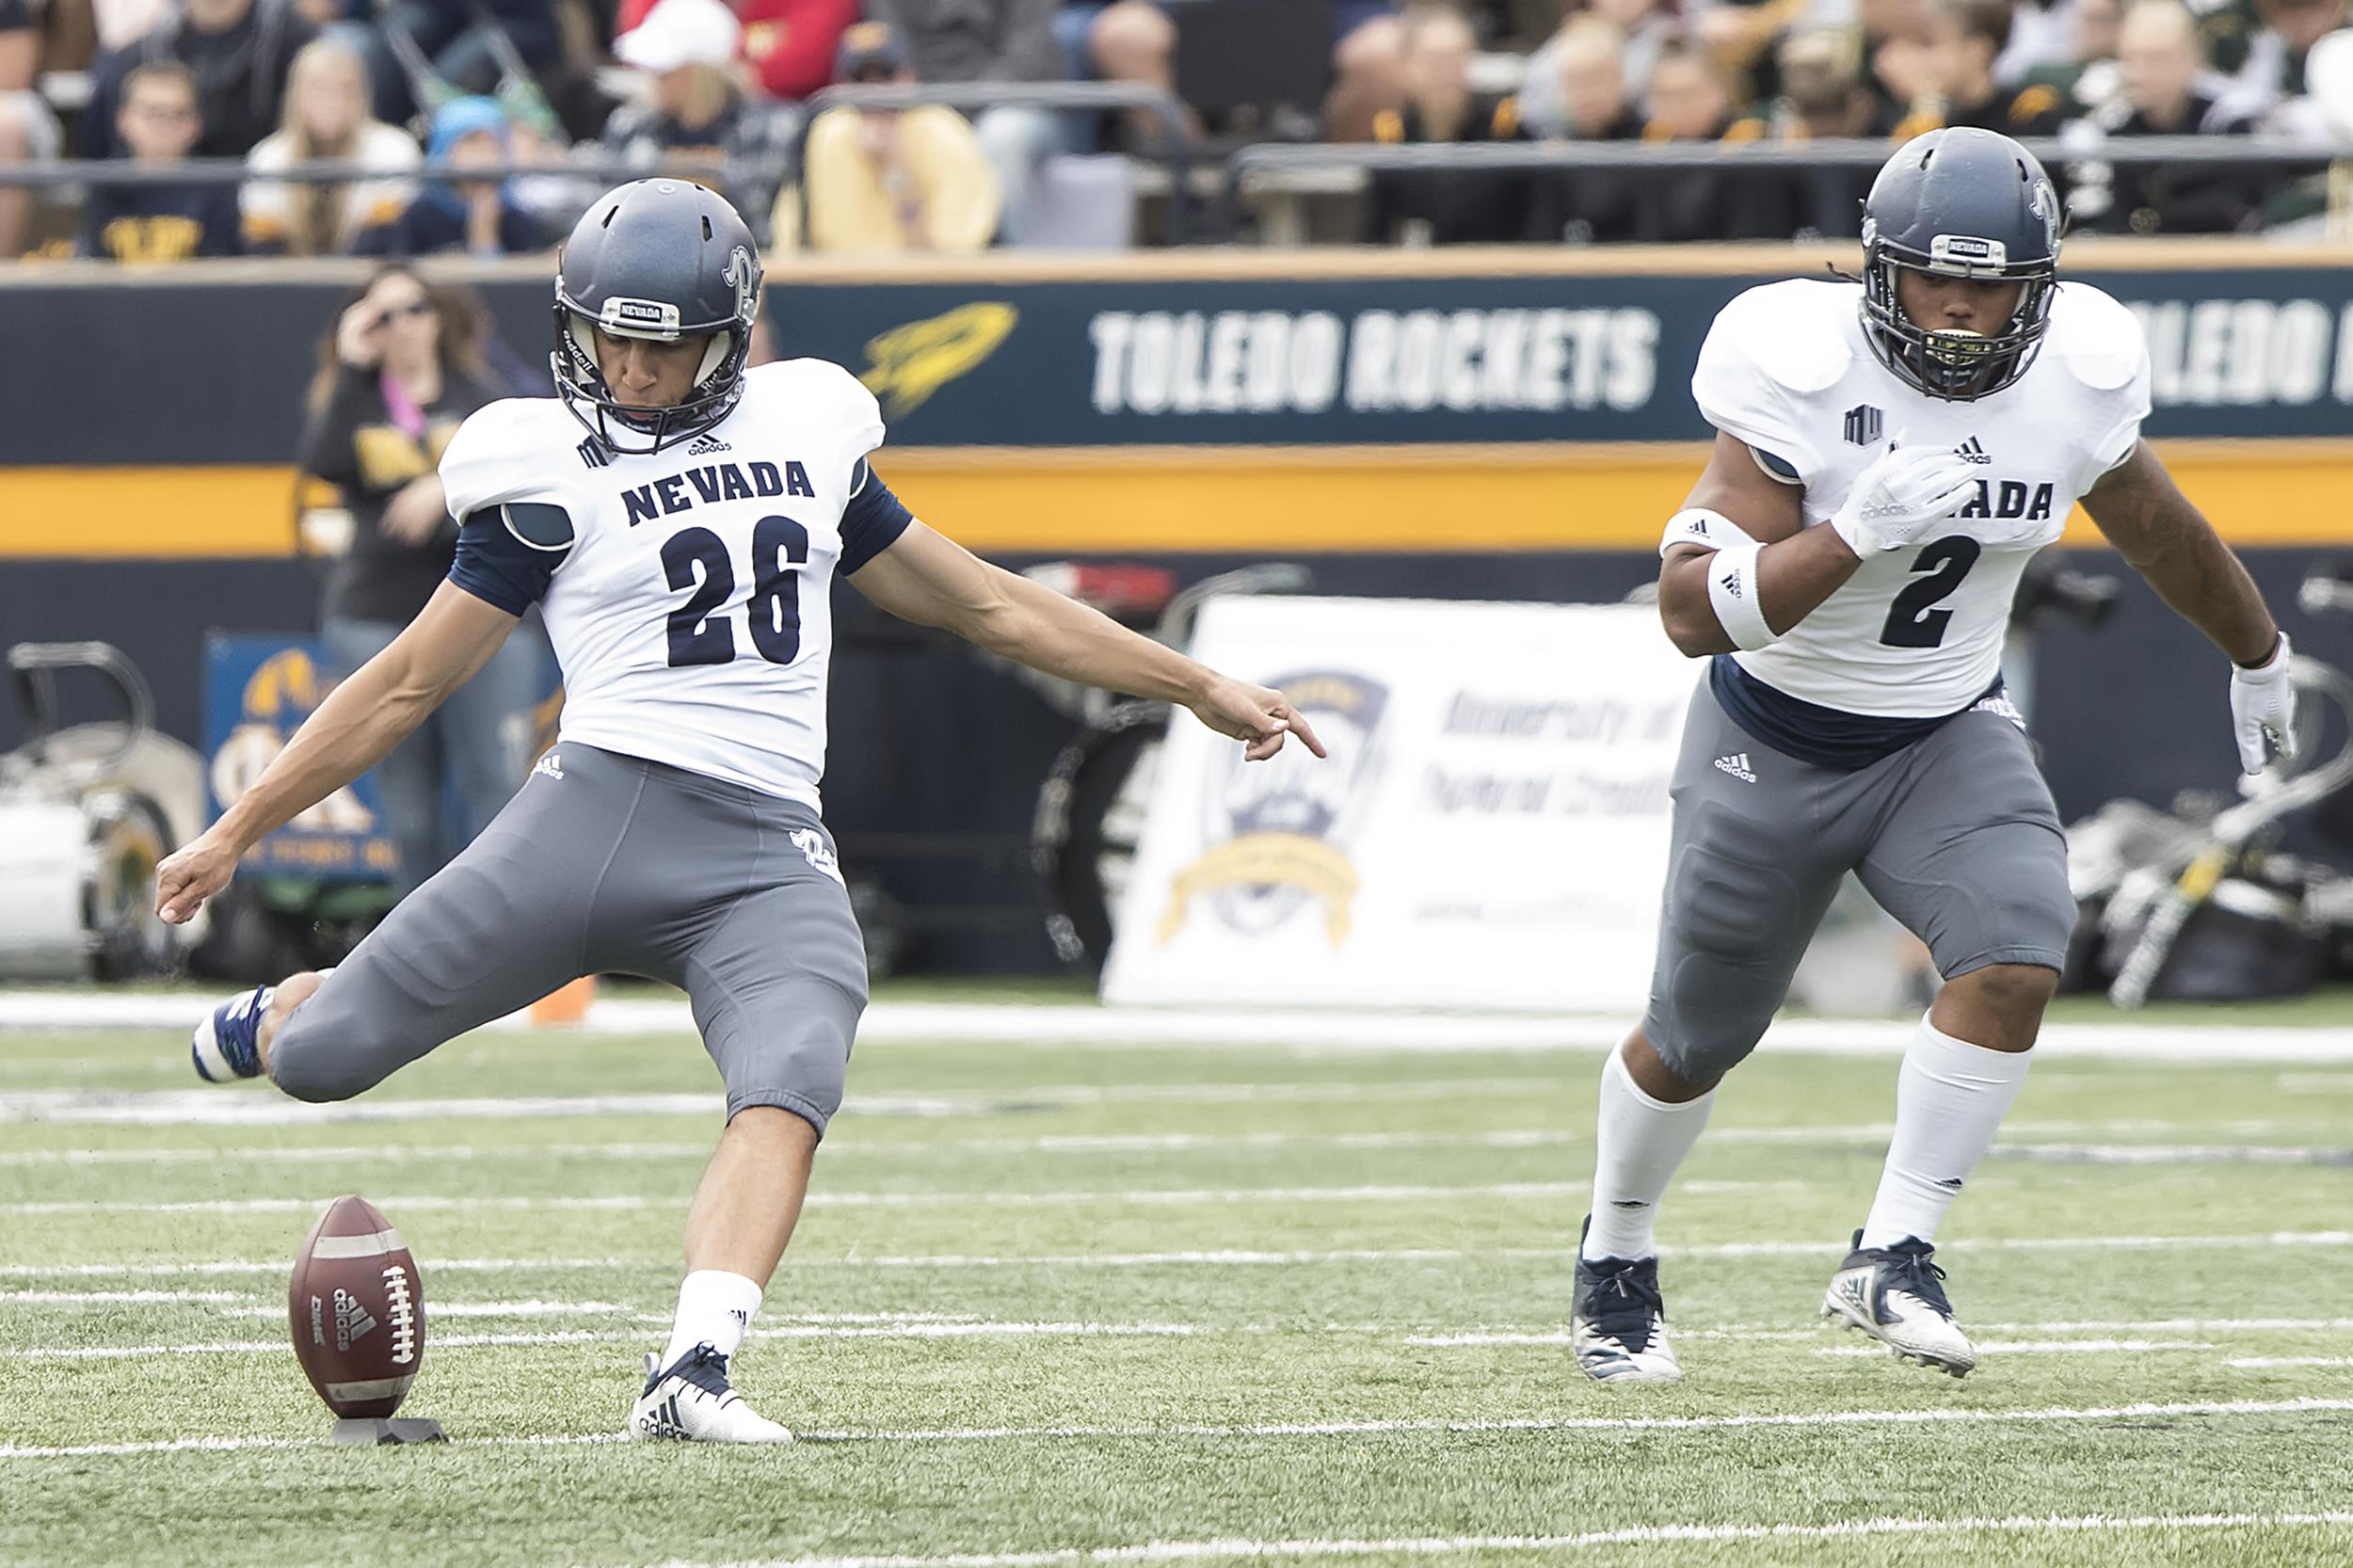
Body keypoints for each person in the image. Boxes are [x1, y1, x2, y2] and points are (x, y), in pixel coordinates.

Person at [159, 179, 1323, 1443]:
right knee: (326, 1062)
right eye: (614, 339)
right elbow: (408, 680)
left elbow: (985, 601)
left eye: (666, 346)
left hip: (768, 847)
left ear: (732, 336)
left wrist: (1194, 682)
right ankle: (288, 1006)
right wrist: (236, 829)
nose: (637, 370)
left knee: (796, 1066)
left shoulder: (807, 427)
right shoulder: (540, 463)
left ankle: (692, 1367)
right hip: (594, 816)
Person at [1567, 127, 2297, 1384]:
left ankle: (1894, 1252)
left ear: (2044, 287)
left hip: (1947, 725)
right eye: (1933, 280)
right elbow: (1690, 613)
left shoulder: (2077, 372)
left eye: (1995, 285)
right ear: (1877, 272)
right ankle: (1615, 1256)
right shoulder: (1793, 365)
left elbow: (2163, 535)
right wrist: (1850, 531)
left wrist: (2259, 652)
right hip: (1773, 736)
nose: (1961, 311)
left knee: (2017, 952)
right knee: (1697, 1033)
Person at [297, 264, 538, 893]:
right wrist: (353, 365)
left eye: (415, 310)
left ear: (438, 319)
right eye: (384, 315)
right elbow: (323, 463)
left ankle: (499, 944)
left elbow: (527, 467)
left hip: (485, 615)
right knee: (408, 809)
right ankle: (421, 956)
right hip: (379, 613)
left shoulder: (478, 394)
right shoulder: (354, 399)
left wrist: (443, 487)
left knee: (497, 788)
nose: (403, 326)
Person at [773, 24, 1001, 254]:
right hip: (835, 285)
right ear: (842, 85)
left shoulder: (943, 132)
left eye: (886, 76)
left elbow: (950, 265)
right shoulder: (824, 134)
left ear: (909, 77)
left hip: (920, 286)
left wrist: (895, 171)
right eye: (860, 79)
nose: (874, 92)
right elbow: (790, 246)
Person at [2069, 0, 2263, 234]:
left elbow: (2236, 210)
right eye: (2130, 59)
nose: (2139, 73)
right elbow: (2091, 217)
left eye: (2156, 58)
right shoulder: (2106, 127)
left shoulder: (2227, 124)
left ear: (2193, 58)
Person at [605, 0, 794, 238]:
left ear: (702, 74)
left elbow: (768, 222)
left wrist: (710, 181)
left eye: (665, 72)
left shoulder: (773, 127)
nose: (653, 81)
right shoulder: (630, 126)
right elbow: (607, 211)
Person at [1362, 3, 1534, 245]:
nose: (1447, 74)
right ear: (1407, 66)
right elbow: (1373, 236)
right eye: (1436, 61)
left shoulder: (1505, 130)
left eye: (1457, 59)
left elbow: (1537, 225)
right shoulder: (1389, 137)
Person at [243, 37, 421, 255]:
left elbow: (386, 242)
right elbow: (264, 249)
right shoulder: (267, 157)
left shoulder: (393, 149)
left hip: (369, 277)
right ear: (296, 96)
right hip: (286, 280)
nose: (333, 101)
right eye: (319, 89)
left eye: (346, 89)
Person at [82, 0, 315, 159]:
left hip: (264, 198)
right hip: (166, 201)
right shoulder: (142, 52)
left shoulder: (294, 40)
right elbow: (104, 152)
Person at [81, 58, 243, 260]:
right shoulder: (103, 183)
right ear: (123, 120)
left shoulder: (218, 185)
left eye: (178, 114)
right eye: (152, 113)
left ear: (197, 124)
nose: (164, 125)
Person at [354, 94, 544, 256]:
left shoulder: (514, 217)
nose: (483, 155)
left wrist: (485, 237)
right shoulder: (419, 214)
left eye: (492, 143)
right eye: (471, 143)